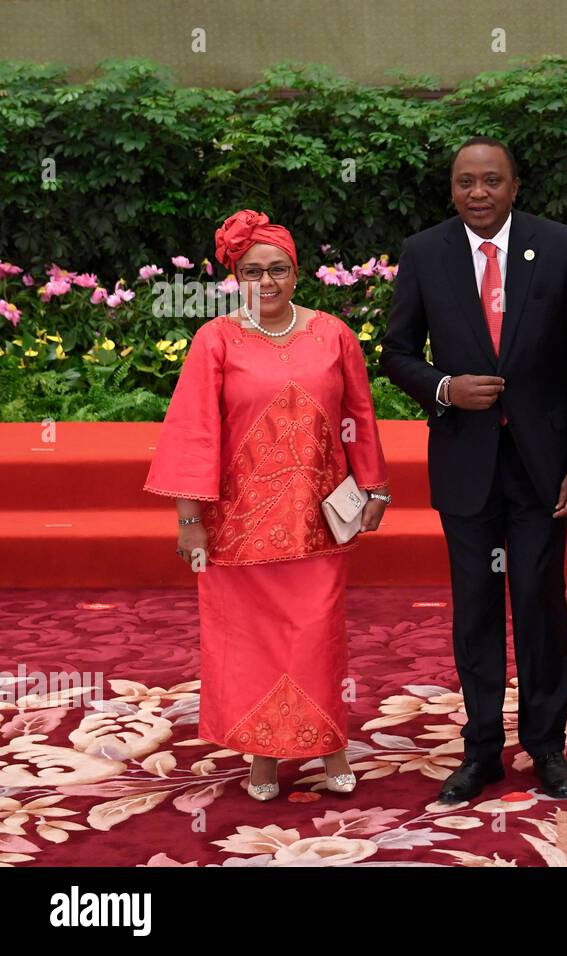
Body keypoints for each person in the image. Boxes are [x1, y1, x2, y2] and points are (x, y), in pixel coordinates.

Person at [380, 137, 567, 803]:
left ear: (515, 186)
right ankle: (480, 749)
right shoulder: (425, 253)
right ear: (451, 189)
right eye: (464, 182)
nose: (477, 193)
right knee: (476, 610)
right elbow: (397, 352)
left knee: (540, 605)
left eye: (491, 181)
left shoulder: (560, 246)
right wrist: (445, 387)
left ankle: (547, 748)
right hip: (465, 466)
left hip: (544, 470)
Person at [144, 209, 391, 801]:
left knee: (317, 634)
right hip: (238, 524)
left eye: (278, 268)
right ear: (237, 277)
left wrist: (374, 485)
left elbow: (359, 415)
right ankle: (262, 752)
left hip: (319, 517)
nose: (268, 281)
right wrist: (189, 520)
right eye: (253, 271)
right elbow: (194, 431)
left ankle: (329, 745)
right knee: (253, 641)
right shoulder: (215, 340)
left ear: (296, 271)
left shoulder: (333, 334)